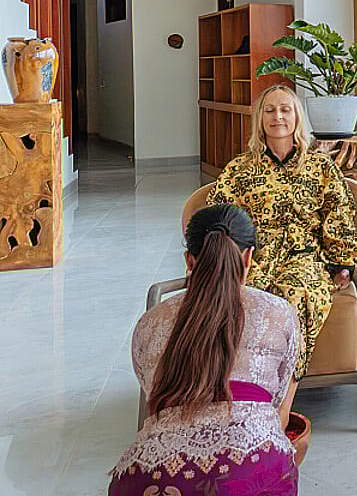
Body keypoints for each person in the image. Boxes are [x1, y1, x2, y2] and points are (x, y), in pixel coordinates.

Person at [109, 204, 300, 495]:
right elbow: (276, 396)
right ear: (248, 258)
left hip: (148, 477)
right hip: (251, 466)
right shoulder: (278, 312)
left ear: (189, 260)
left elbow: (150, 390)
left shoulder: (151, 321)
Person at [207, 84, 357, 402]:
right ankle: (241, 392)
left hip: (306, 258)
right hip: (255, 257)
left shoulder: (321, 168)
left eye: (285, 109)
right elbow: (218, 216)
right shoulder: (239, 170)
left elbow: (340, 216)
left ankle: (282, 405)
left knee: (293, 297)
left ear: (297, 118)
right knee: (246, 300)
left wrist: (342, 262)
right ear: (260, 120)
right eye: (270, 110)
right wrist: (225, 260)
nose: (278, 116)